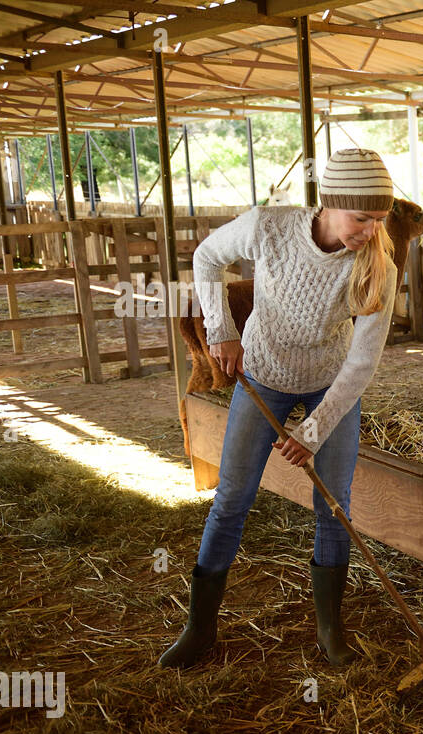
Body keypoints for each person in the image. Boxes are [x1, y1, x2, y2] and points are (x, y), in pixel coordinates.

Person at [160, 148, 398, 669]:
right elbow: (207, 258)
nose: (371, 231)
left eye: (380, 219)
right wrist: (221, 330)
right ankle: (199, 628)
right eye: (362, 218)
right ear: (332, 204)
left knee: (334, 506)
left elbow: (361, 364)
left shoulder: (377, 263)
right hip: (262, 376)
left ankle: (330, 629)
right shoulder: (270, 227)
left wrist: (314, 430)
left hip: (330, 383)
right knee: (231, 498)